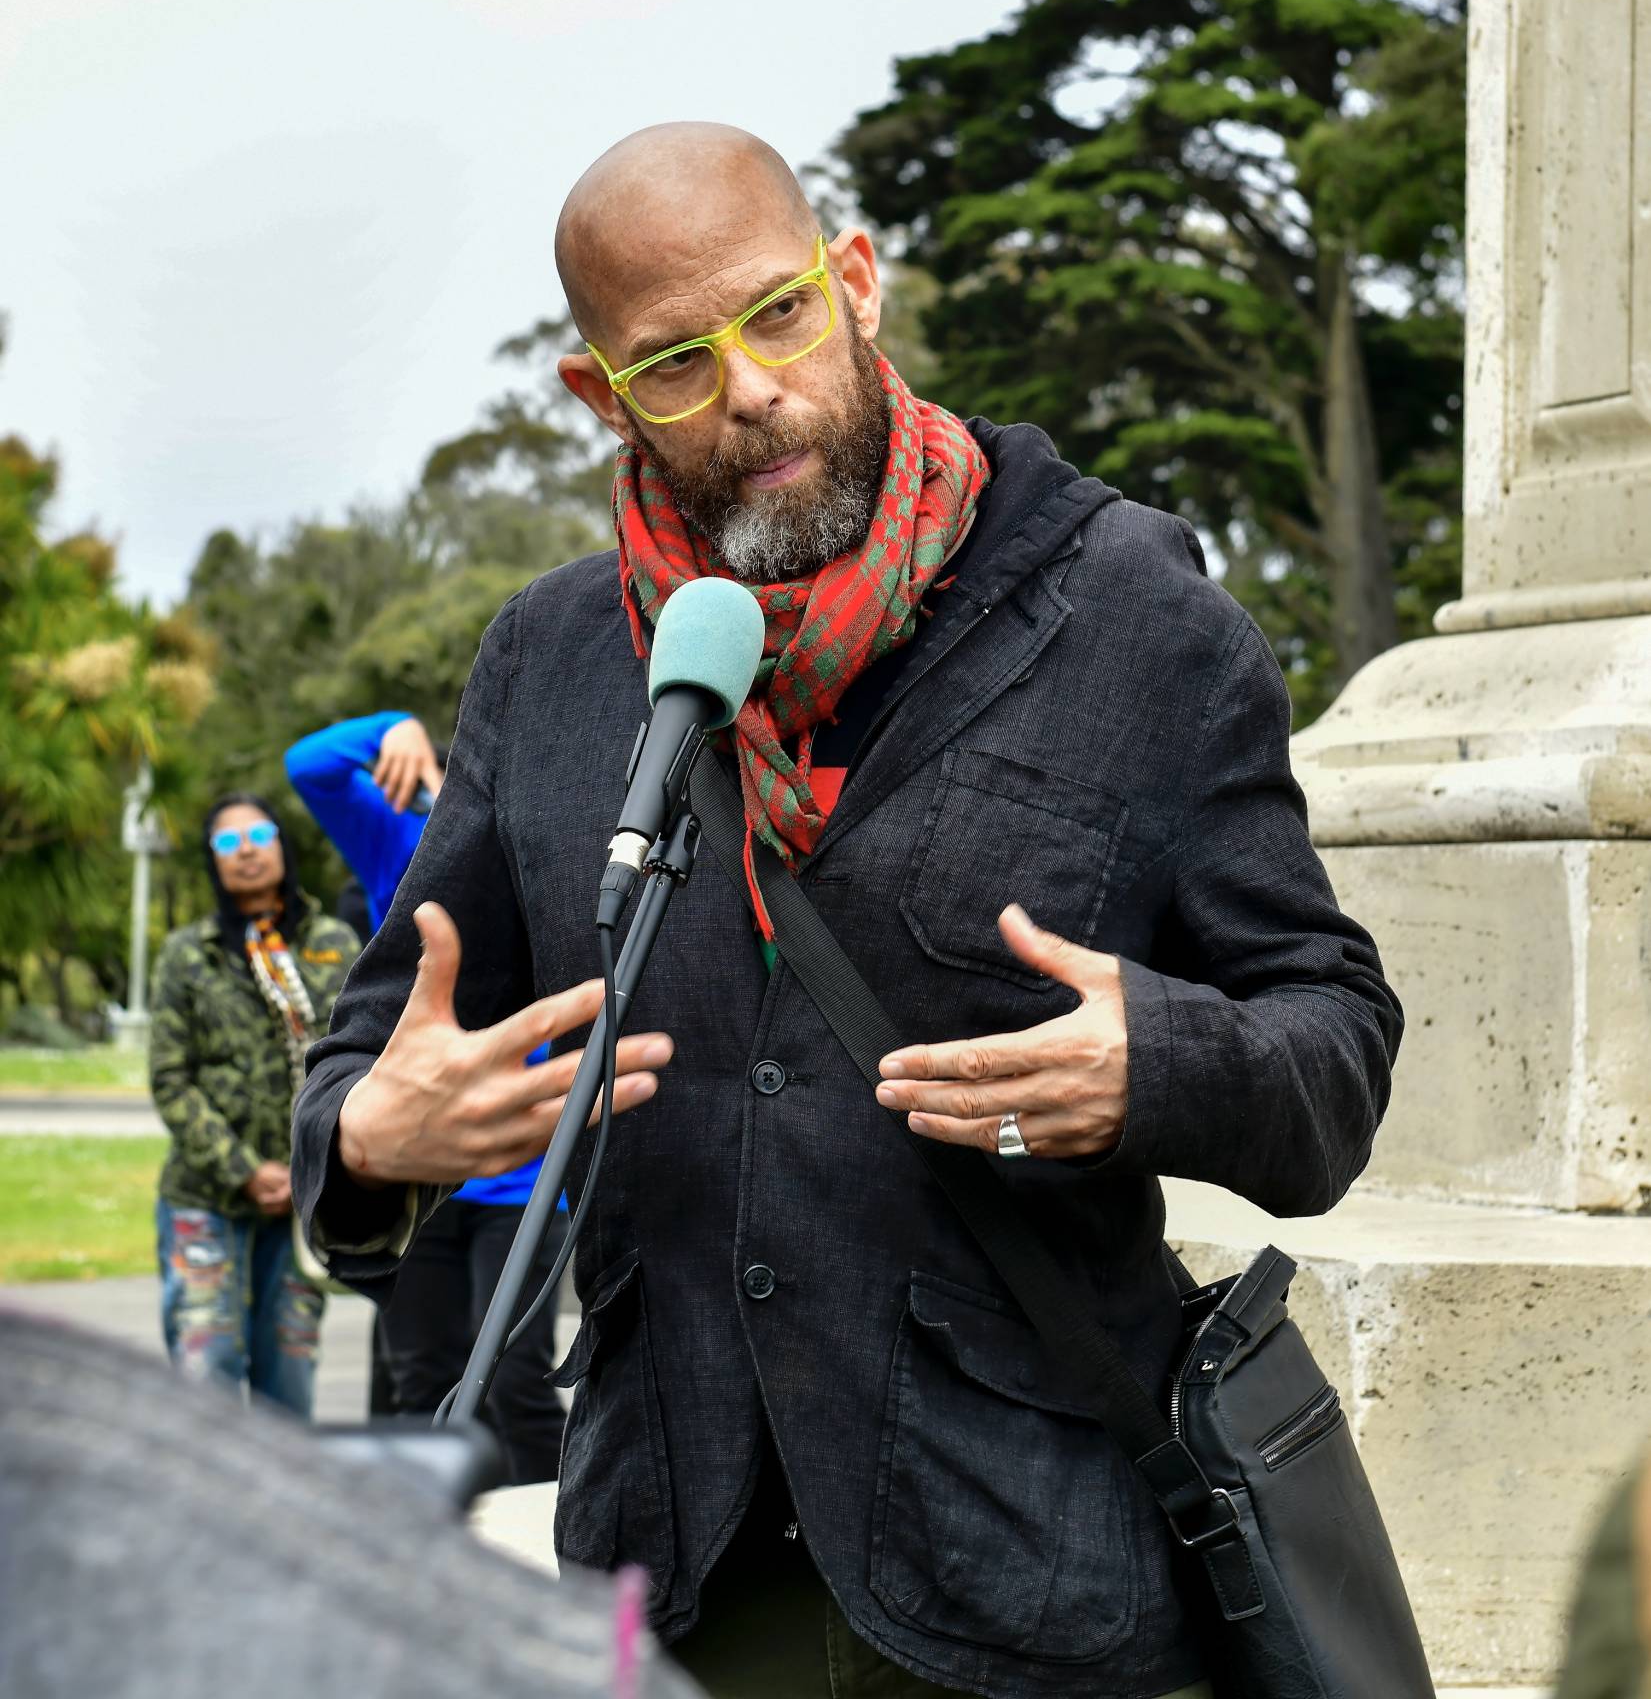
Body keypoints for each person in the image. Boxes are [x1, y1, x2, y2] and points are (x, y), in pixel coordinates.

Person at [291, 123, 1404, 1699]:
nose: (747, 389)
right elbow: (360, 1074)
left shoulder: (1139, 626)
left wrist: (1156, 1061)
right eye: (672, 361)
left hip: (1033, 1593)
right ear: (597, 398)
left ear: (856, 285)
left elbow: (1333, 1042)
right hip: (666, 1591)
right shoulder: (546, 668)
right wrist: (372, 1141)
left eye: (778, 315)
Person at [284, 709, 567, 1483]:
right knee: (421, 1382)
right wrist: (393, 731)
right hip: (421, 1165)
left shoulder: (551, 843)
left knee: (516, 1384)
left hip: (524, 1177)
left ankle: (560, 1575)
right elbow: (308, 765)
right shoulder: (406, 850)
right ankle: (424, 1568)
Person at [150, 795, 358, 1417]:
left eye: (259, 833)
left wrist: (309, 1165)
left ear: (282, 846)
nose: (245, 849)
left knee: (288, 1385)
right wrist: (242, 1168)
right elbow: (170, 1078)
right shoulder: (190, 953)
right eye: (226, 841)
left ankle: (275, 1513)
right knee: (204, 1372)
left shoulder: (333, 944)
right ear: (212, 863)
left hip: (301, 1201)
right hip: (205, 1200)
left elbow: (358, 1061)